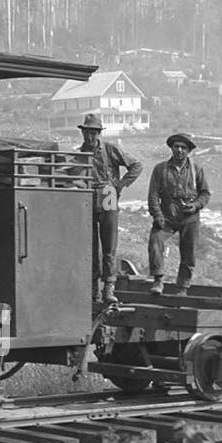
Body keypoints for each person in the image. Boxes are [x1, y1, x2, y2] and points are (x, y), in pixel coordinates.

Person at [77, 113, 142, 303]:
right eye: (87, 132)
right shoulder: (80, 154)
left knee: (109, 245)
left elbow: (136, 165)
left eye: (93, 132)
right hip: (88, 196)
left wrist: (120, 185)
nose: (89, 137)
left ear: (99, 133)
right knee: (90, 245)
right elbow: (73, 174)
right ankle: (94, 290)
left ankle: (108, 289)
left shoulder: (110, 150)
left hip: (108, 194)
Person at [146, 132, 211, 295]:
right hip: (167, 215)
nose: (180, 150)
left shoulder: (196, 169)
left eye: (183, 147)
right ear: (171, 148)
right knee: (155, 240)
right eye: (176, 146)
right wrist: (157, 215)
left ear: (189, 150)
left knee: (189, 251)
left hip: (190, 216)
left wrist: (195, 205)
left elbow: (205, 193)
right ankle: (158, 280)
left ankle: (183, 287)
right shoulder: (160, 169)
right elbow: (153, 195)